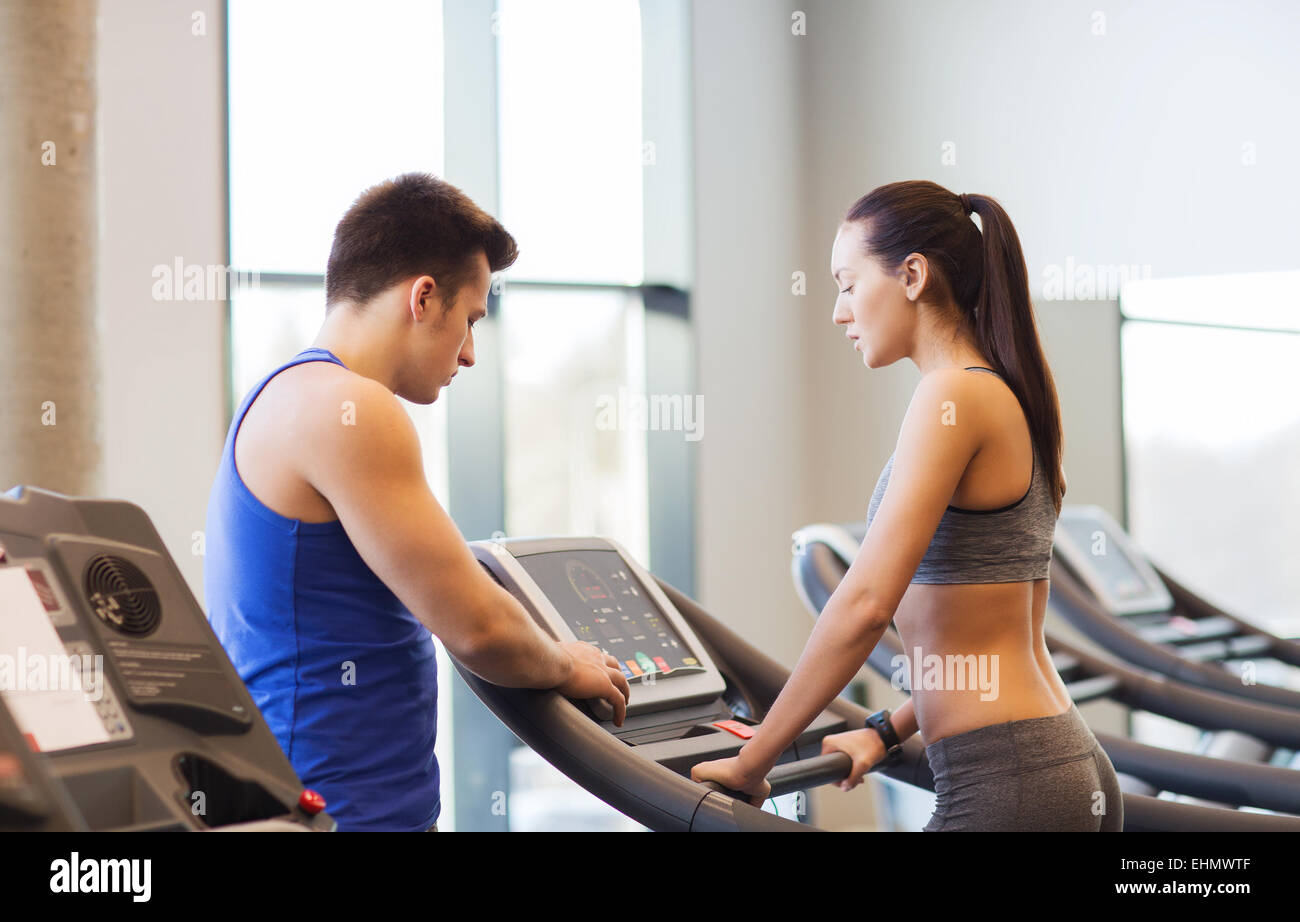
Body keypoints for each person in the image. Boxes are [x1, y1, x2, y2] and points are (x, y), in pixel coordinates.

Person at [692, 180, 1122, 831]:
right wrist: (886, 732)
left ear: (913, 275)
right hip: (1054, 763)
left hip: (1008, 781)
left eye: (847, 282)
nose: (839, 311)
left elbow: (865, 607)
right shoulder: (1005, 392)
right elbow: (987, 634)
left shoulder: (951, 399)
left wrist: (755, 758)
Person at [205, 173, 629, 831]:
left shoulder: (282, 397)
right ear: (424, 297)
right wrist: (563, 661)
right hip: (335, 813)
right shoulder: (349, 408)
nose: (468, 353)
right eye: (470, 321)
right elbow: (478, 627)